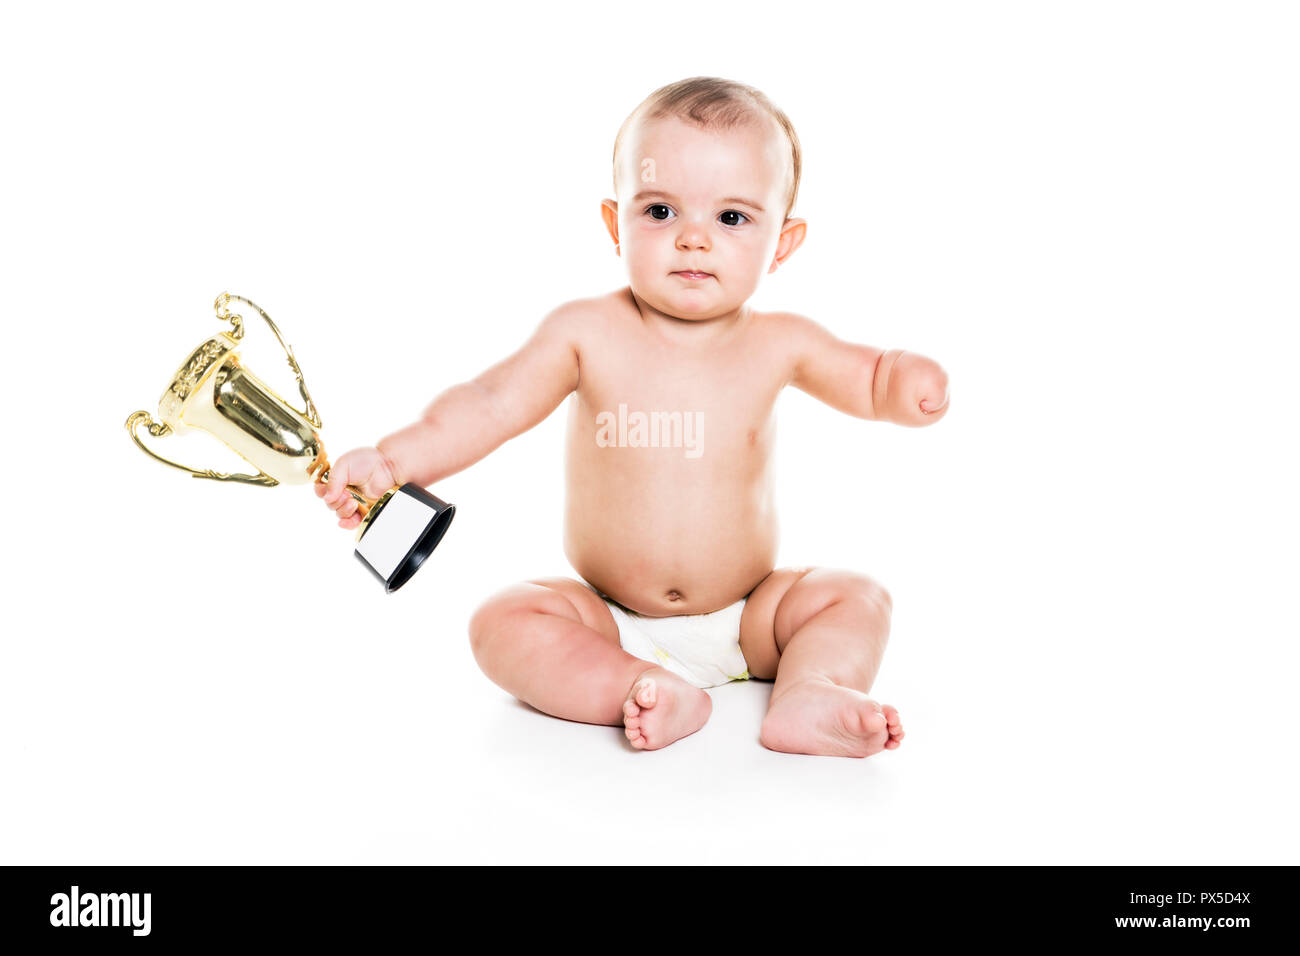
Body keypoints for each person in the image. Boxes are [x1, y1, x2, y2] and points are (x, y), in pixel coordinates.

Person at [318, 76, 949, 757]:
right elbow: (489, 403)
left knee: (857, 597)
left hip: (752, 616)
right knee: (503, 621)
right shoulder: (584, 333)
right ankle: (638, 685)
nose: (693, 240)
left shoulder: (781, 341)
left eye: (731, 218)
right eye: (659, 212)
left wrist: (898, 381)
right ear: (616, 224)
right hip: (608, 619)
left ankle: (810, 689)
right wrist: (394, 460)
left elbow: (867, 376)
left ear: (783, 243)